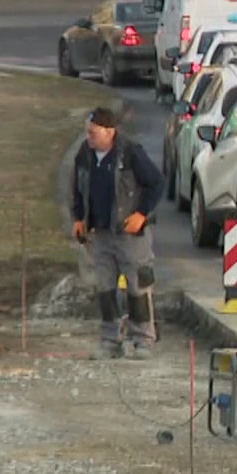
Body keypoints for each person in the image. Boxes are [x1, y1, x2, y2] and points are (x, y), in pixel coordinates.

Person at [69, 107, 163, 360]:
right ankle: (111, 339)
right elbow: (77, 188)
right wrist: (78, 218)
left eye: (93, 132)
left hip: (130, 235)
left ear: (110, 132)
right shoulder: (85, 155)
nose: (88, 137)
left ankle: (142, 338)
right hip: (100, 234)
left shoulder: (131, 153)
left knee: (137, 287)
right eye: (87, 132)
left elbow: (156, 183)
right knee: (105, 288)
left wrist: (141, 214)